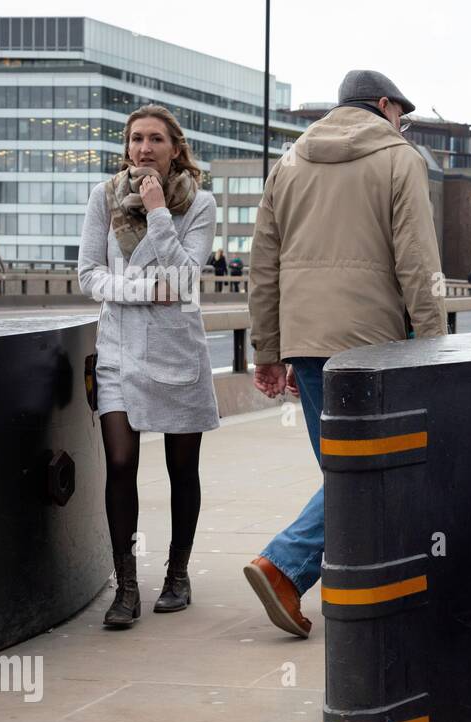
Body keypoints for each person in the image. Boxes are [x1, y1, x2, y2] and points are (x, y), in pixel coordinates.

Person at [245, 69, 447, 639]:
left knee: (346, 471)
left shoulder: (289, 162)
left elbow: (264, 263)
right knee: (362, 474)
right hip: (374, 344)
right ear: (384, 105)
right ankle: (284, 566)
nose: (400, 124)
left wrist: (268, 349)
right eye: (399, 114)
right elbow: (417, 260)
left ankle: (350, 585)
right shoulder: (398, 157)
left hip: (306, 343)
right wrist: (433, 345)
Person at [77, 104, 219, 628]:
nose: (143, 148)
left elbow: (183, 279)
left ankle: (177, 573)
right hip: (117, 352)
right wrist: (140, 291)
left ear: (175, 148)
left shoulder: (198, 204)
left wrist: (158, 209)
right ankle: (126, 586)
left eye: (155, 139)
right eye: (136, 138)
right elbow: (89, 276)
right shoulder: (104, 197)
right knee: (120, 465)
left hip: (176, 352)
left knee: (182, 469)